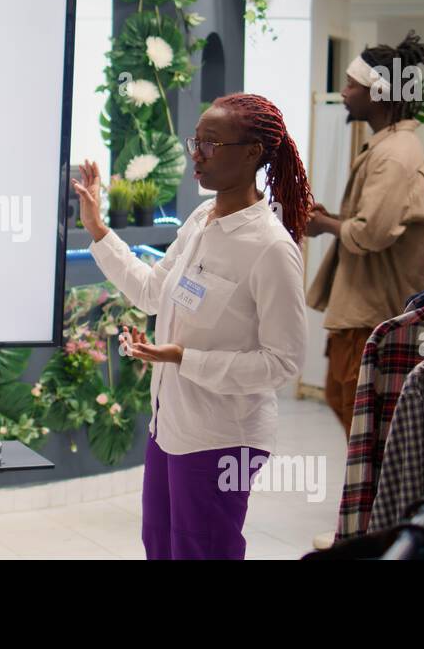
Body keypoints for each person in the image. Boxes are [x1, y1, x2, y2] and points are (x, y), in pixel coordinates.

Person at [72, 93, 312, 560]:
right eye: (195, 142)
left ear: (252, 153)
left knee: (203, 553)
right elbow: (150, 292)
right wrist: (98, 229)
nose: (197, 155)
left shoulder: (270, 248)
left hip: (225, 439)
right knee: (161, 546)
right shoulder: (202, 219)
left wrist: (185, 358)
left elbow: (283, 362)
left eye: (212, 144)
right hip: (172, 427)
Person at [305, 31, 424, 436]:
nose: (343, 92)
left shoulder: (395, 154)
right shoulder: (387, 147)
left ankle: (375, 500)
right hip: (362, 311)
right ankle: (370, 500)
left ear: (378, 94)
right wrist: (332, 220)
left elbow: (370, 234)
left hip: (372, 316)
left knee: (364, 420)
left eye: (350, 84)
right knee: (346, 405)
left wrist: (325, 224)